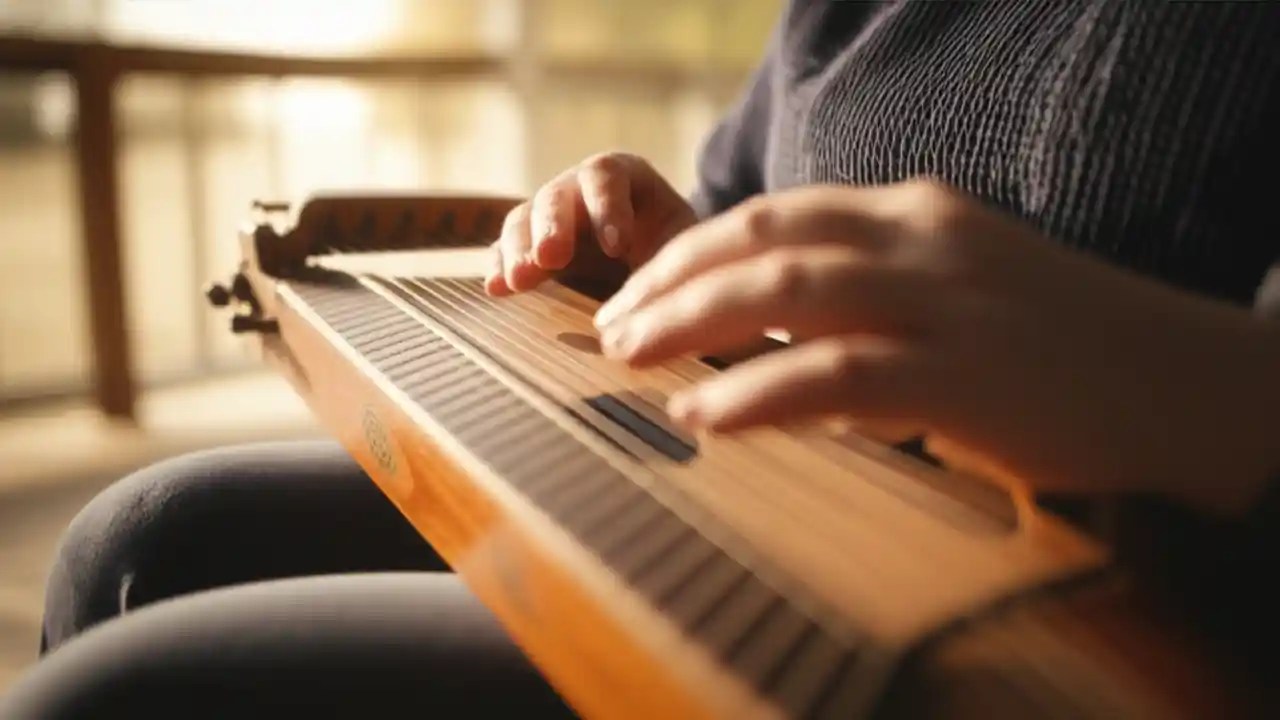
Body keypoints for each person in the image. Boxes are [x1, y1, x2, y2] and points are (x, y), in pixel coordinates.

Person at [4, 1, 1278, 717]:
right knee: (139, 537)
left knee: (120, 699)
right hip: (775, 469)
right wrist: (665, 239)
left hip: (1098, 608)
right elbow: (738, 191)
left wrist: (1211, 384)